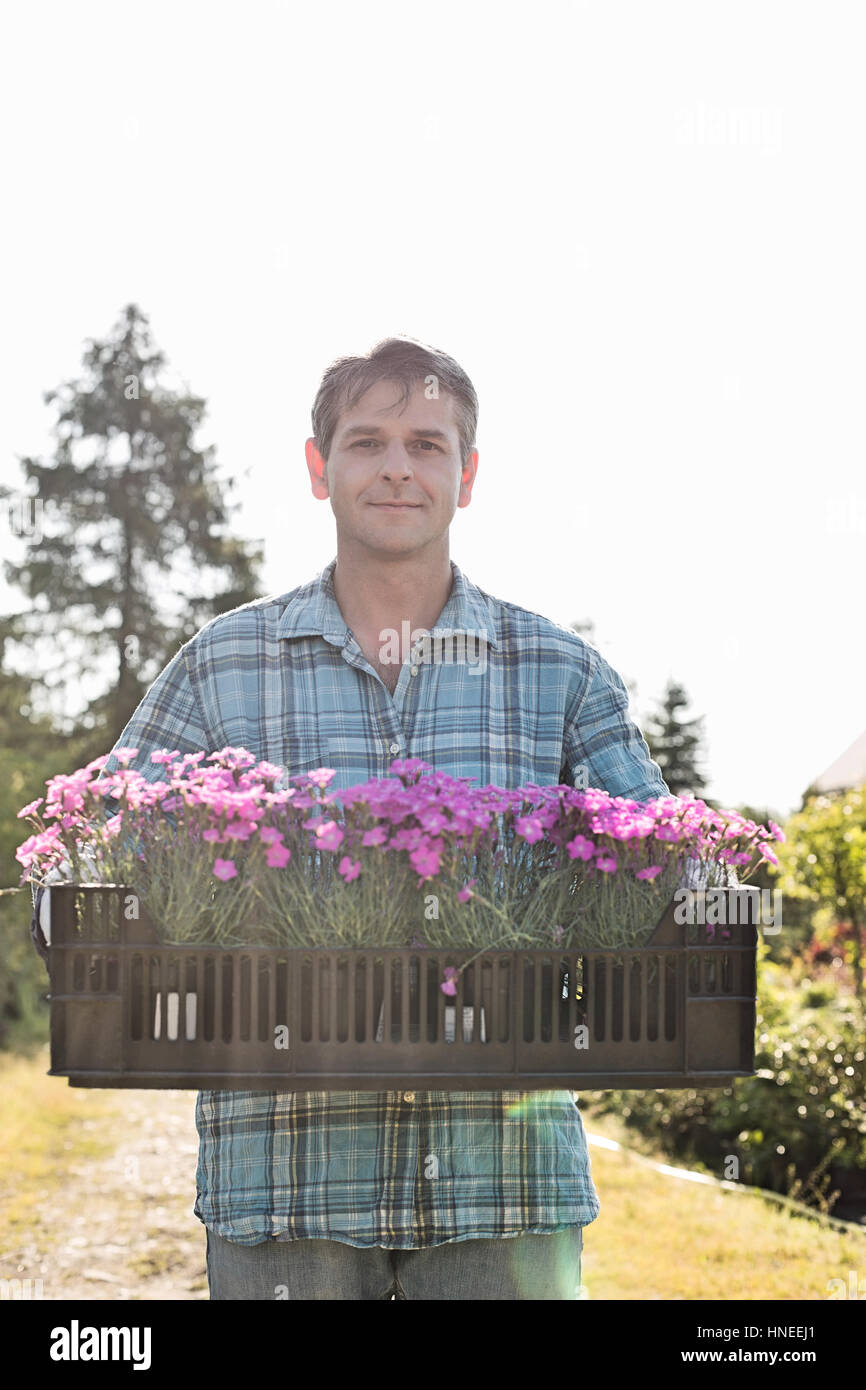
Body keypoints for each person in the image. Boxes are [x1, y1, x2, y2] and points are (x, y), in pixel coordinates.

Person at [83, 337, 669, 1299]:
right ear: (319, 469)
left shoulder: (557, 671)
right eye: (367, 441)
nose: (398, 465)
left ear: (468, 476)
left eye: (428, 444)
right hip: (287, 1184)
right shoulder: (223, 663)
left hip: (502, 1194)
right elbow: (103, 852)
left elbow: (665, 871)